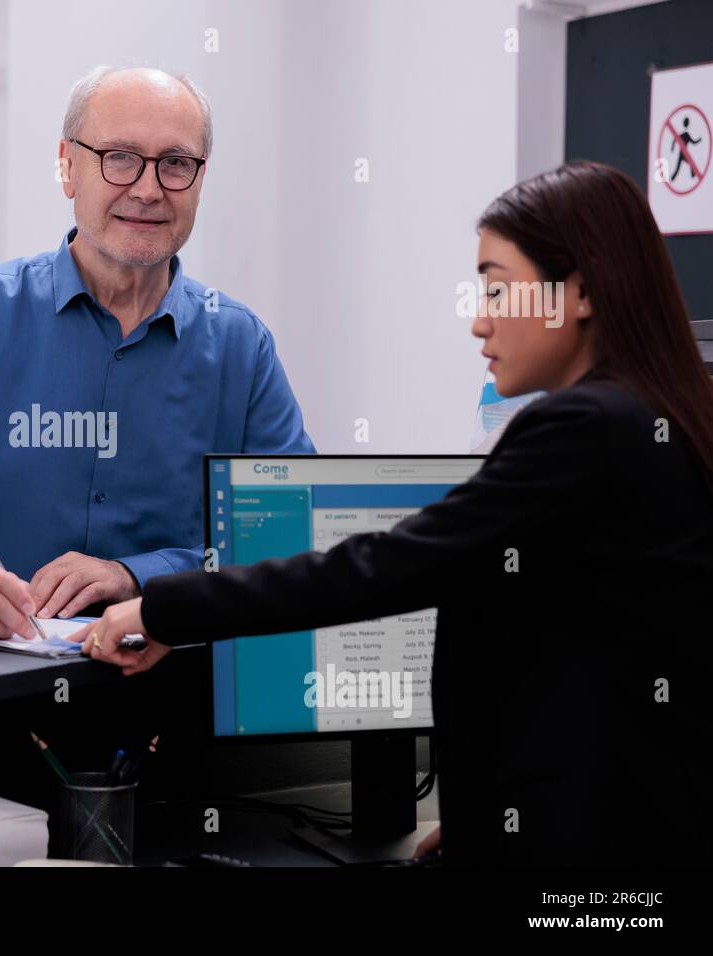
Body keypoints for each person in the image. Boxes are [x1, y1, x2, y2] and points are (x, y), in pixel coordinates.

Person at [74, 161, 713, 867]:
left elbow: (387, 567)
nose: (479, 321)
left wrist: (161, 610)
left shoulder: (587, 426)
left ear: (580, 294)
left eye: (498, 289)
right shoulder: (666, 415)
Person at [0, 65, 313, 640]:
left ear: (200, 178)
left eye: (176, 163)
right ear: (67, 165)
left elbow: (289, 541)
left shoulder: (242, 345)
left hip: (175, 690)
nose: (147, 188)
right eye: (119, 157)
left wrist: (139, 577)